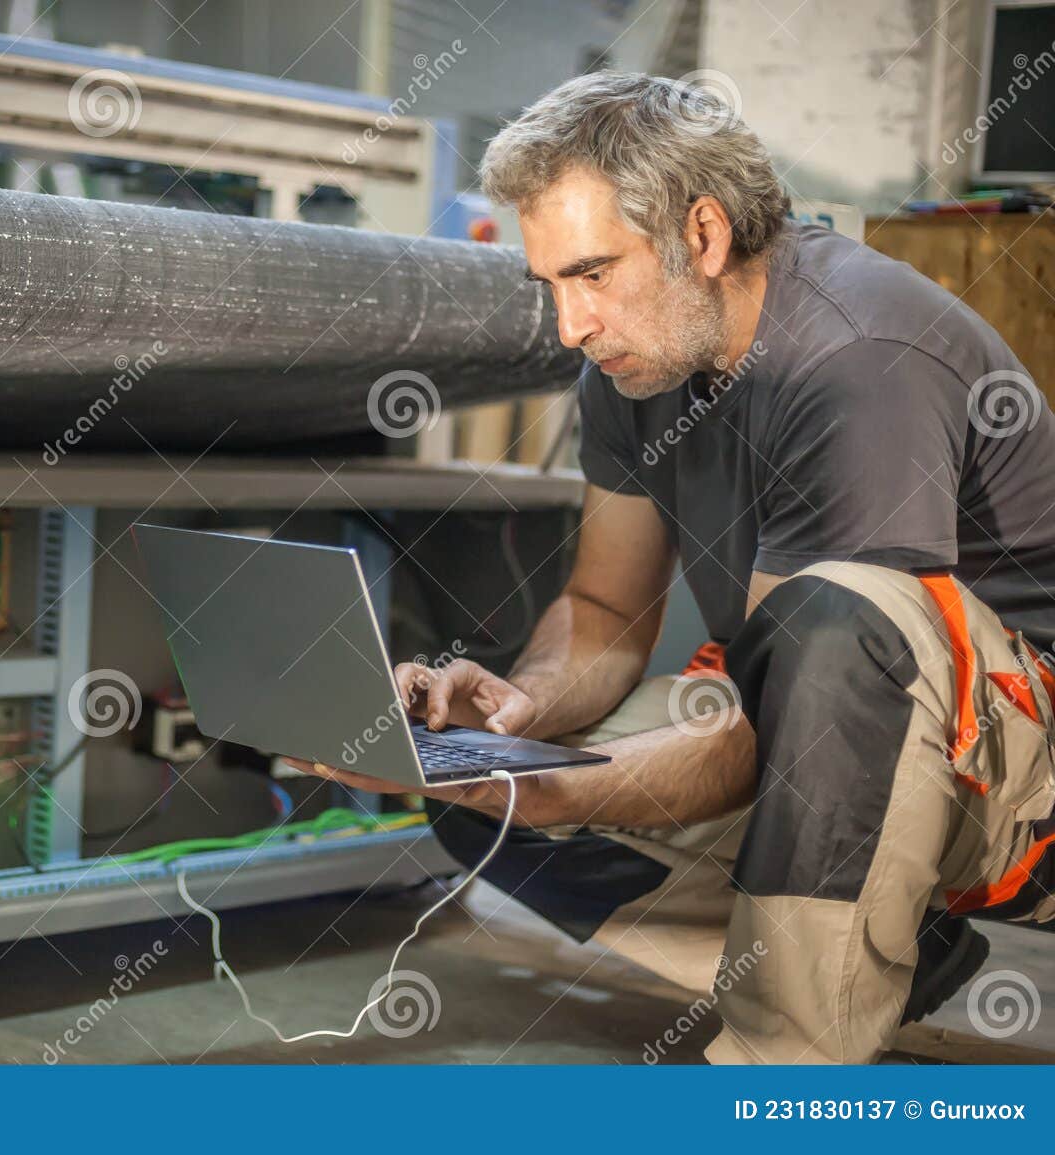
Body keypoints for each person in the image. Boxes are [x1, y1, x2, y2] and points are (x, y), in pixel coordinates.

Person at [289, 71, 1055, 1064]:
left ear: (701, 235)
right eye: (553, 285)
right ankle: (889, 960)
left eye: (594, 273)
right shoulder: (635, 364)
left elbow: (799, 707)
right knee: (488, 805)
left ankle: (782, 1071)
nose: (570, 325)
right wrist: (515, 721)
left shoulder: (859, 357)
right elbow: (606, 608)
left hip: (1016, 767)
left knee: (830, 625)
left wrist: (570, 788)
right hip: (849, 719)